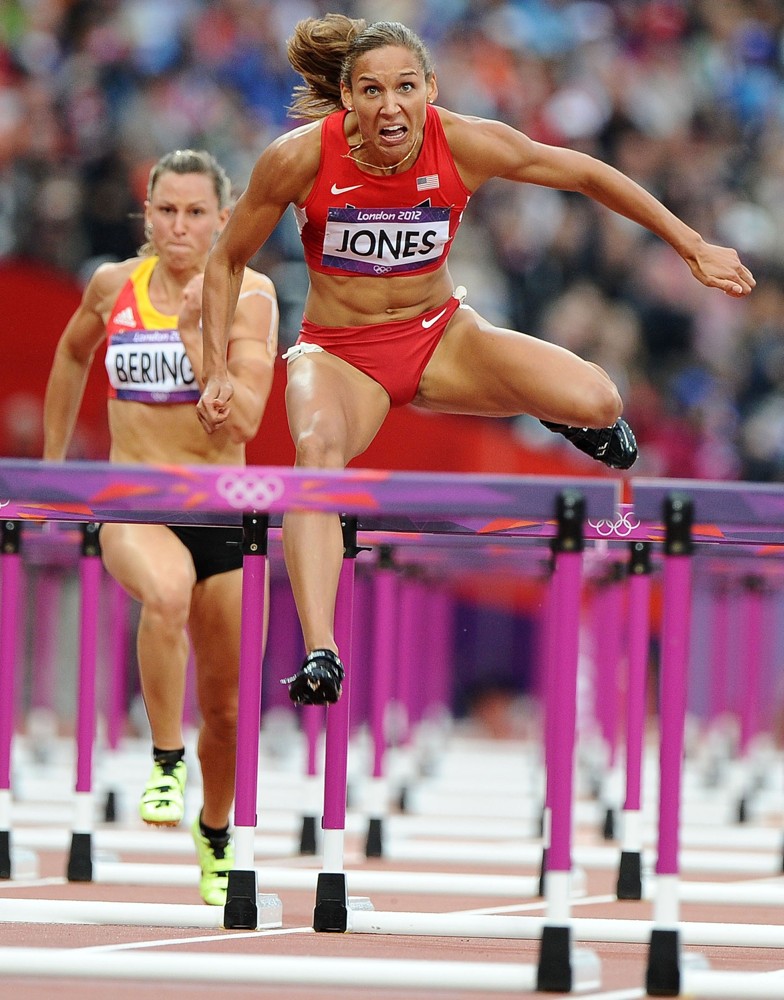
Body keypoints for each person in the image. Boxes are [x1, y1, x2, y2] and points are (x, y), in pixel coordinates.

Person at [195, 15, 755, 707]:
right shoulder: (297, 158)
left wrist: (690, 243)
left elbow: (583, 172)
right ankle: (322, 652)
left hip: (439, 337)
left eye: (406, 87)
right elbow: (224, 260)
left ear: (430, 88)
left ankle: (564, 417)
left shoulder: (464, 142)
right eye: (372, 90)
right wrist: (214, 364)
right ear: (347, 97)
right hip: (341, 357)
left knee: (601, 401)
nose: (390, 105)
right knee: (317, 457)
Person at [43, 149, 278, 904]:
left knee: (231, 708)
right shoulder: (112, 286)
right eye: (166, 210)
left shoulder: (251, 298)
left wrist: (190, 335)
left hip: (225, 513)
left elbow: (238, 418)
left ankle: (214, 835)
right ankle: (165, 758)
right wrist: (52, 467)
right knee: (166, 592)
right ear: (146, 215)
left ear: (223, 219)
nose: (179, 227)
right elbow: (71, 354)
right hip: (135, 503)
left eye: (196, 213)